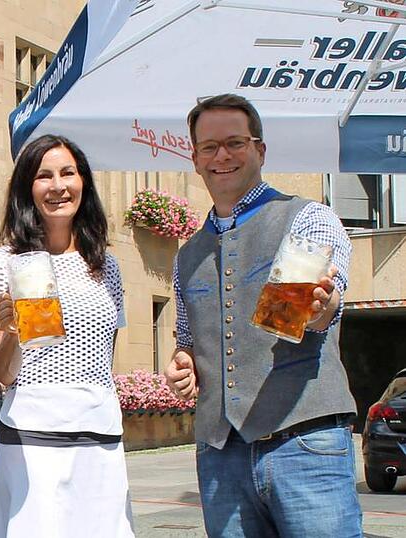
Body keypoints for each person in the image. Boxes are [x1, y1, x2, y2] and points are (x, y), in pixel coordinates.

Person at [164, 93, 361, 537]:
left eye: (235, 142)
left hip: (304, 443)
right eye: (209, 147)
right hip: (221, 454)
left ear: (260, 150)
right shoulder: (188, 255)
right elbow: (187, 340)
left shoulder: (308, 219)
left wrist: (320, 306)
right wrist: (183, 363)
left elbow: (325, 307)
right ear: (195, 159)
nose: (222, 156)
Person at [0, 135, 134, 537]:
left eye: (68, 173)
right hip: (33, 442)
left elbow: (102, 363)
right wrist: (10, 333)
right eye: (44, 176)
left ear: (84, 182)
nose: (58, 186)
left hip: (99, 438)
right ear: (27, 188)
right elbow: (4, 373)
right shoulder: (1, 264)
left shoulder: (106, 266)